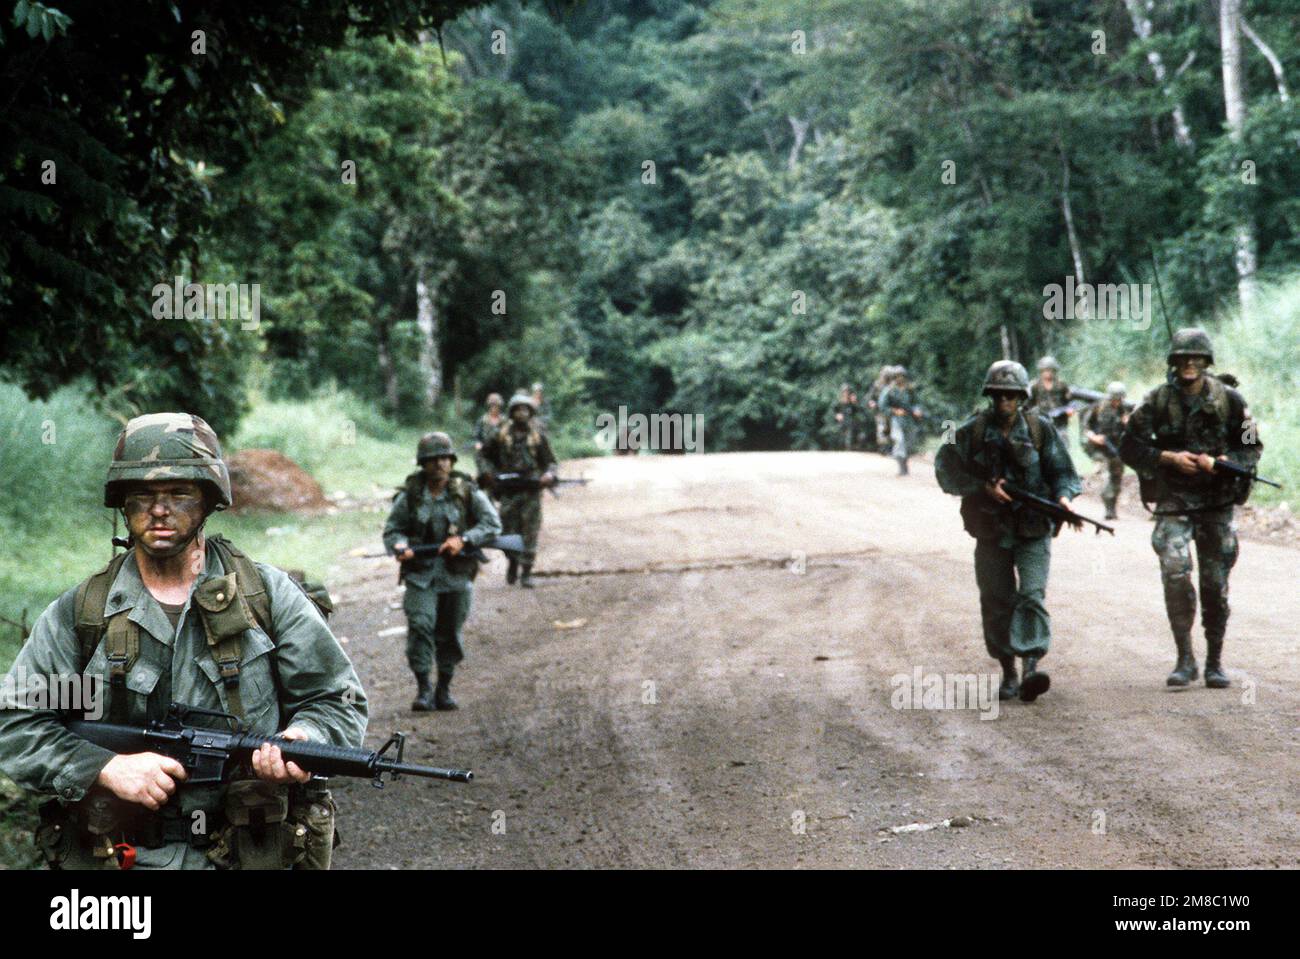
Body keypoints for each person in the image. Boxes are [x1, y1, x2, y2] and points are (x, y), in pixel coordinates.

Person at [0, 413, 367, 870]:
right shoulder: (84, 614)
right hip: (121, 855)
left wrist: (304, 737)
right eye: (143, 496)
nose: (159, 510)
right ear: (123, 503)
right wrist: (103, 768)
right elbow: (16, 723)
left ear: (209, 500)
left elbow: (336, 698)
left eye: (179, 494)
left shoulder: (264, 597)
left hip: (247, 851)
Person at [1119, 328, 1262, 689]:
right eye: (1182, 358)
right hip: (1174, 501)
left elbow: (1251, 446)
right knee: (1175, 574)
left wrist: (1223, 462)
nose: (1189, 364)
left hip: (1216, 501)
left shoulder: (1230, 399)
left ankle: (1215, 660)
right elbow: (1129, 446)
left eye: (1196, 358)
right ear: (1173, 362)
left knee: (1215, 583)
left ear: (1207, 362)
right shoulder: (1156, 401)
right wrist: (1166, 457)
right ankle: (1185, 658)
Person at [935, 361, 1083, 702]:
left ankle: (1031, 666)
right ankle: (1008, 672)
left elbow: (1063, 472)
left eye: (1012, 397)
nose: (1005, 403)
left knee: (1032, 594)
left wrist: (1064, 498)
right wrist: (981, 487)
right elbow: (944, 469)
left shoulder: (1040, 429)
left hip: (1033, 527)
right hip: (990, 529)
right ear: (990, 396)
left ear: (1022, 398)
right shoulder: (969, 430)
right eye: (999, 396)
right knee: (996, 599)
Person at [383, 432, 501, 711]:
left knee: (450, 631)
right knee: (421, 625)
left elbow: (492, 524)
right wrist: (400, 546)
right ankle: (423, 688)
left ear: (452, 461)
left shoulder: (466, 491)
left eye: (444, 458)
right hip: (421, 574)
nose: (439, 464)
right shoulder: (411, 495)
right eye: (433, 459)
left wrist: (465, 539)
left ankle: (444, 687)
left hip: (456, 573)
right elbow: (393, 530)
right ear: (423, 464)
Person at [480, 394, 557, 588]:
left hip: (531, 489)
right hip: (508, 490)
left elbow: (550, 462)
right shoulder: (500, 434)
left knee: (530, 531)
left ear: (531, 413)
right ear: (511, 412)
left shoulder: (538, 436)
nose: (521, 413)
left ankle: (527, 571)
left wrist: (548, 475)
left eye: (525, 409)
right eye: (517, 409)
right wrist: (488, 473)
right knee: (507, 530)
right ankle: (513, 561)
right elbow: (483, 455)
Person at [1082, 382, 1130, 520]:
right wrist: (1094, 437)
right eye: (1114, 399)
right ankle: (1108, 507)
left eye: (1119, 399)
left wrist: (1128, 423)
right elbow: (1086, 428)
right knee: (1107, 475)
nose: (1116, 402)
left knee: (1117, 477)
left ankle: (1112, 508)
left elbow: (1133, 429)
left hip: (1116, 448)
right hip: (1100, 448)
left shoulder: (1124, 409)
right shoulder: (1098, 408)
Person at [878, 367, 924, 475]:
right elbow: (882, 405)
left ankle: (905, 463)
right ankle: (901, 467)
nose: (900, 378)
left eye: (902, 376)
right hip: (896, 419)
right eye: (897, 376)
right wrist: (894, 411)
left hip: (909, 419)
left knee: (909, 443)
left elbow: (917, 402)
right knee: (899, 441)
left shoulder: (910, 389)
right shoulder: (889, 390)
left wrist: (917, 410)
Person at [1027, 356, 1076, 442]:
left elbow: (1070, 402)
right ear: (1041, 371)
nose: (1048, 373)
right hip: (1041, 421)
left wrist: (1070, 410)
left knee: (1062, 445)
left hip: (1060, 422)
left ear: (1055, 371)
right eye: (1046, 370)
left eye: (1051, 370)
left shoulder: (1062, 385)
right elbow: (1029, 404)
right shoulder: (1035, 386)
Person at [473, 392, 505, 482]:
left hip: (500, 452)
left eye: (497, 406)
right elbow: (477, 436)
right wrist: (478, 444)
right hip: (485, 451)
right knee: (482, 474)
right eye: (492, 406)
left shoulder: (504, 420)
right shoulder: (483, 420)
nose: (494, 408)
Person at [868, 365, 897, 453]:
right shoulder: (877, 384)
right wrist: (871, 402)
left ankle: (891, 448)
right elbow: (870, 396)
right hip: (880, 411)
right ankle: (883, 448)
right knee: (881, 429)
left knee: (891, 429)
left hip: (891, 411)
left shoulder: (894, 385)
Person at [832, 383, 857, 451]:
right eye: (844, 391)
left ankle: (848, 449)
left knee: (849, 437)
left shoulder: (851, 401)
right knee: (840, 437)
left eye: (847, 391)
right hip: (841, 422)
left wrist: (854, 403)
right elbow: (833, 410)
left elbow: (857, 410)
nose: (846, 393)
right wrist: (837, 415)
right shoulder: (838, 401)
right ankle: (840, 449)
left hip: (850, 421)